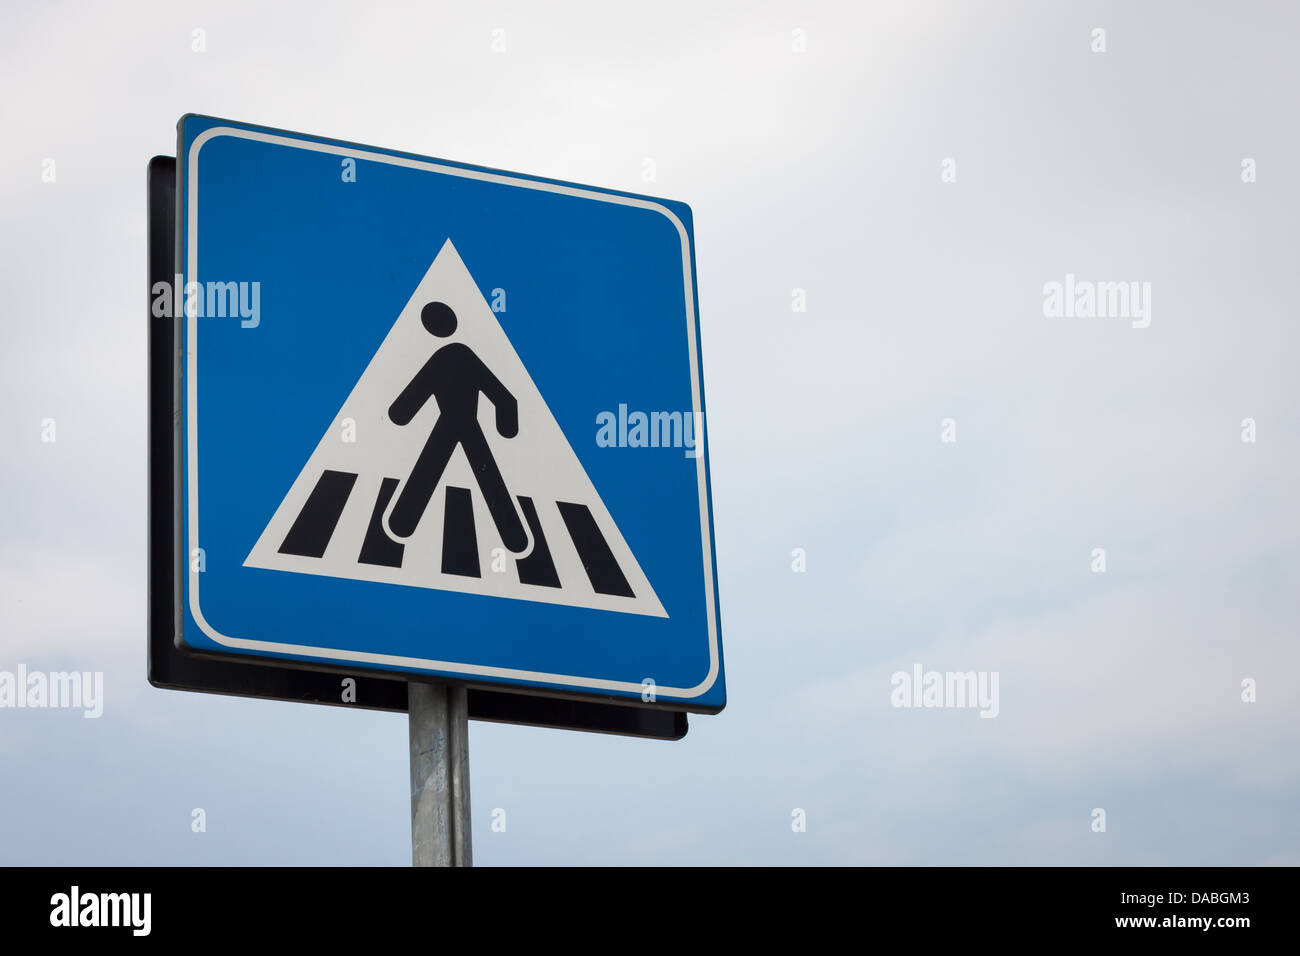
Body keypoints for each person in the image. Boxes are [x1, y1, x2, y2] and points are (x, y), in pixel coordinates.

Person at [386, 301, 528, 553]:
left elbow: (407, 404)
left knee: (430, 471)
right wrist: (506, 424)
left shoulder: (449, 356)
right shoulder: (459, 354)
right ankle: (515, 538)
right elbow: (502, 396)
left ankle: (401, 524)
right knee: (486, 476)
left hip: (452, 424)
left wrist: (401, 414)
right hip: (462, 424)